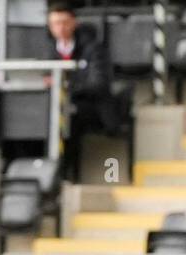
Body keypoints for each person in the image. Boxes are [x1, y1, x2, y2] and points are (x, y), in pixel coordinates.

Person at [47, 2, 124, 180]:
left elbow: (98, 85)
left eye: (64, 22)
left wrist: (66, 86)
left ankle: (67, 175)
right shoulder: (47, 51)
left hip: (91, 107)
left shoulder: (94, 49)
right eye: (55, 24)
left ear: (74, 23)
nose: (60, 28)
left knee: (68, 118)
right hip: (54, 105)